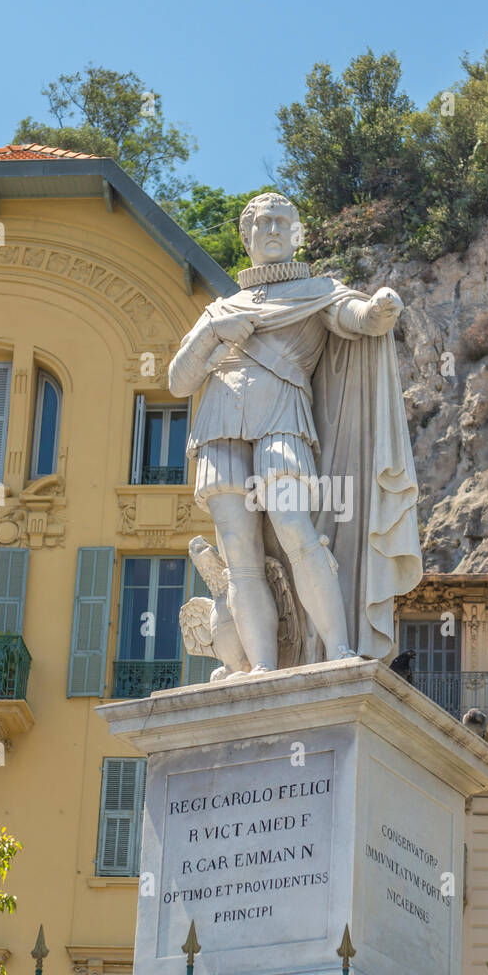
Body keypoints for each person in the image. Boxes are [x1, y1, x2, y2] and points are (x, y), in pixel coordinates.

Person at [169, 191, 422, 673]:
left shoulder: (319, 290)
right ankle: (262, 667)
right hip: (219, 424)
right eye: (263, 223)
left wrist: (379, 312)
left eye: (283, 222)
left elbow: (354, 318)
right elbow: (178, 380)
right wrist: (212, 335)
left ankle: (339, 649)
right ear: (245, 237)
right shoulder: (220, 310)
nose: (273, 230)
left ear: (298, 234)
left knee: (295, 530)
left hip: (284, 416)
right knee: (239, 555)